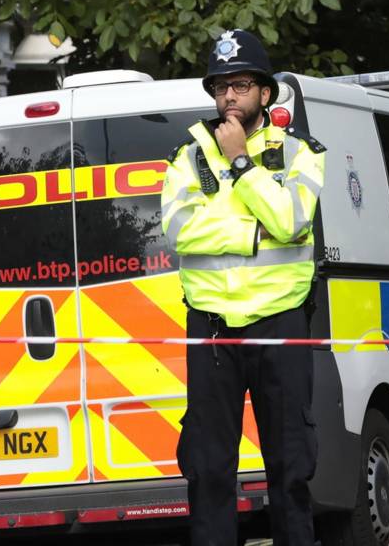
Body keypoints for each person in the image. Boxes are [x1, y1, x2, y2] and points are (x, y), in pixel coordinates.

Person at [161, 29, 326, 546]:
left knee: (290, 466)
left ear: (265, 93)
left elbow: (294, 218)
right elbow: (180, 230)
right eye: (220, 88)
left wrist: (240, 164)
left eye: (240, 85)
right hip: (212, 330)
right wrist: (254, 232)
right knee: (209, 470)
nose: (228, 97)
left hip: (280, 323)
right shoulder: (188, 156)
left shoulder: (300, 153)